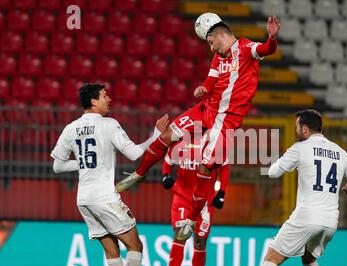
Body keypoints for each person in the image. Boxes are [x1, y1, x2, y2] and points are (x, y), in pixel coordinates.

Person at [115, 13, 280, 225]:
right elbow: (210, 81)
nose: (211, 48)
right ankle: (138, 174)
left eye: (211, 42)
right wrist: (203, 88)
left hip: (227, 120)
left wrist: (272, 37)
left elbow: (267, 49)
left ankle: (191, 220)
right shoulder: (218, 57)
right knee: (168, 135)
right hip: (205, 110)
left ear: (220, 34)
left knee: (206, 167)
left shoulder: (247, 49)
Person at [50, 83, 170, 266]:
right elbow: (134, 154)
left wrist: (84, 164)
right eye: (105, 96)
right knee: (135, 245)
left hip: (84, 199)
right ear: (93, 101)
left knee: (111, 251)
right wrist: (155, 136)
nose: (109, 99)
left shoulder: (70, 128)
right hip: (104, 197)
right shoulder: (108, 124)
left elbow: (57, 166)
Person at [255, 109, 347, 266]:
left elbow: (273, 172)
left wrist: (277, 161)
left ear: (305, 129)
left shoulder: (301, 148)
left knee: (271, 259)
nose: (297, 130)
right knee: (309, 260)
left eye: (297, 127)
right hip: (330, 221)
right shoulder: (339, 152)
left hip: (307, 216)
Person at [161, 137, 230, 266]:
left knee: (200, 242)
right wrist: (165, 176)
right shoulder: (179, 143)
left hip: (205, 203)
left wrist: (221, 193)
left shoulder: (215, 143)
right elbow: (167, 162)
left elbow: (225, 168)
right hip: (182, 198)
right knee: (180, 236)